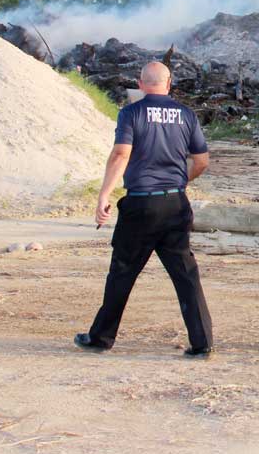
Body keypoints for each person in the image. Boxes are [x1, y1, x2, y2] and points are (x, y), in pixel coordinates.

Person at [75, 61, 214, 357]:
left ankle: (101, 337)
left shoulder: (131, 113)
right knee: (186, 274)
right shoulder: (186, 115)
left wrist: (104, 195)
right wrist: (179, 182)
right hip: (176, 203)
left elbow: (121, 154)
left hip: (141, 203)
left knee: (123, 272)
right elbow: (201, 161)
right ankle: (203, 343)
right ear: (169, 83)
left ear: (140, 84)